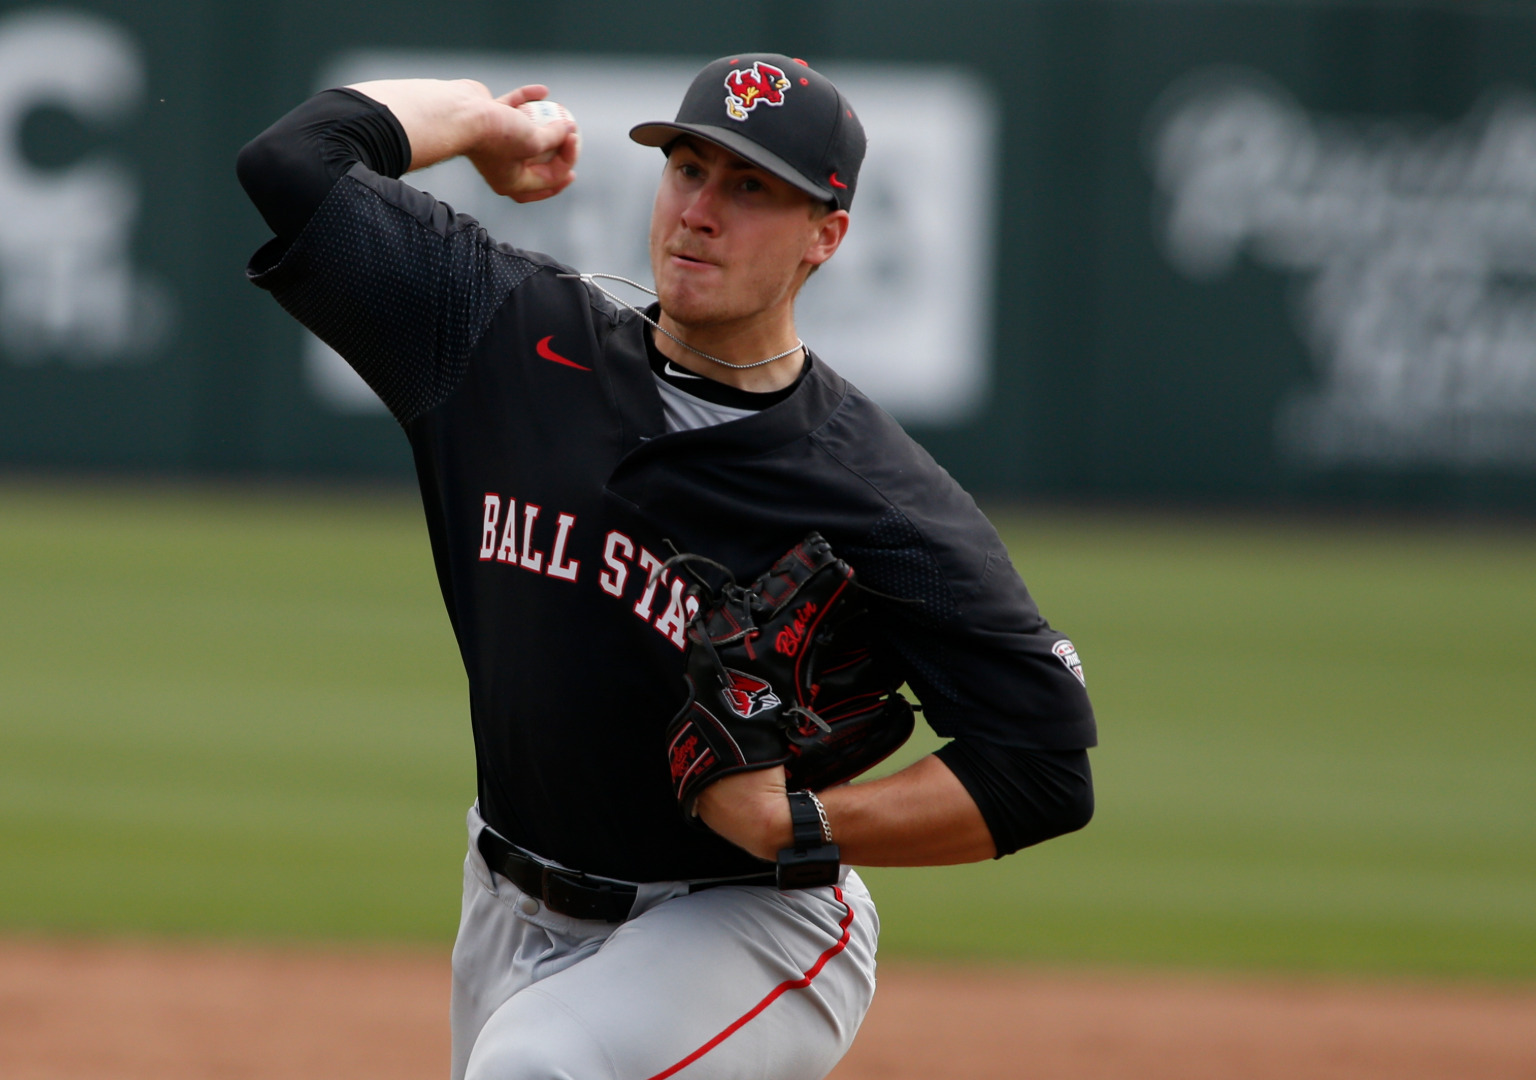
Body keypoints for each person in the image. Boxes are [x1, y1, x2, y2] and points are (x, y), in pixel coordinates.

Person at [237, 53, 1096, 1080]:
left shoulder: (876, 495)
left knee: (535, 1070)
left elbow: (1044, 766)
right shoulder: (501, 336)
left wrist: (802, 821)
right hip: (504, 898)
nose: (701, 211)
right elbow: (291, 160)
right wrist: (475, 123)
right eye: (688, 168)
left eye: (751, 189)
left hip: (744, 923)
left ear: (828, 235)